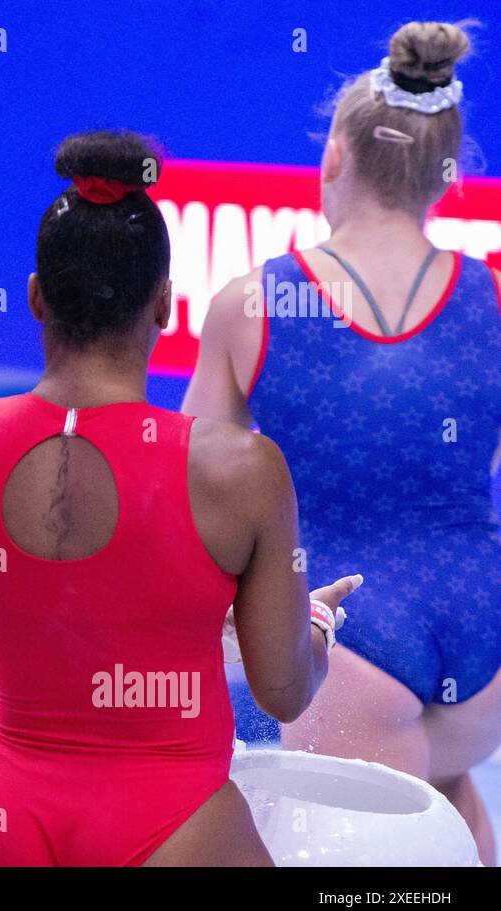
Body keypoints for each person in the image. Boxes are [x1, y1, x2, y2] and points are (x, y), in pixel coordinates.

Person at [0, 130, 360, 866]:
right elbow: (282, 691)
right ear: (163, 306)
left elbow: (23, 612)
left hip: (2, 820)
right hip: (178, 823)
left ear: (34, 296)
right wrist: (313, 622)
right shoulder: (238, 468)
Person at [182, 20, 501, 865]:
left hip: (346, 633)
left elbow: (192, 493)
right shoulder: (495, 300)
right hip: (487, 641)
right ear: (445, 175)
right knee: (444, 804)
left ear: (333, 157)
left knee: (372, 897)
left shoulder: (251, 304)